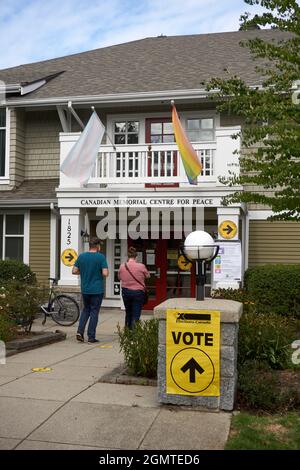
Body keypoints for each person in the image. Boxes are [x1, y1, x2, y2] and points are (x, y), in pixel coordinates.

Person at [72, 237, 109, 343]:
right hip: (97, 290)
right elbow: (105, 273)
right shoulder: (100, 257)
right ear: (97, 246)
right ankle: (91, 336)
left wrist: (83, 272)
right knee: (94, 312)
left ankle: (80, 332)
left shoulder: (82, 256)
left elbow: (74, 271)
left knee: (85, 310)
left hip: (85, 289)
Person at [118, 247, 150, 329]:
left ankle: (127, 331)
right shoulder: (141, 266)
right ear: (136, 257)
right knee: (136, 313)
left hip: (126, 292)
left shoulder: (122, 266)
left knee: (128, 312)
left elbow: (119, 277)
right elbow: (148, 276)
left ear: (128, 257)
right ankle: (134, 334)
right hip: (138, 292)